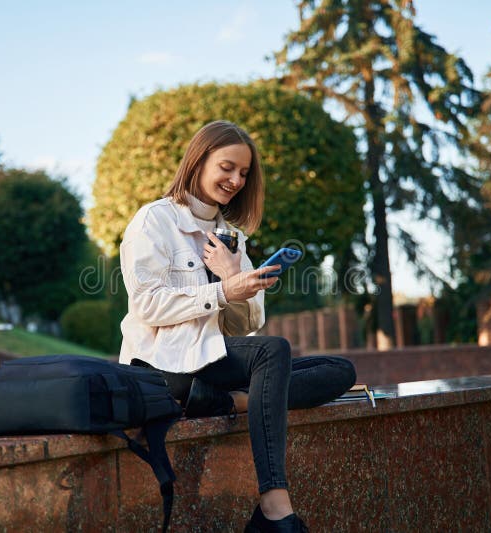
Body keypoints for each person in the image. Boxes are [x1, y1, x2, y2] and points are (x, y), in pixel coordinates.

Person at [119, 120, 356, 532]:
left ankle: (231, 401)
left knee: (340, 371)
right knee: (273, 351)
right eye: (227, 167)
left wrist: (238, 282)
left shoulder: (231, 237)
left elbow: (244, 324)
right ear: (199, 159)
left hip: (209, 359)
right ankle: (274, 506)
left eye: (244, 173)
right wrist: (224, 289)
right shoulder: (153, 221)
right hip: (161, 365)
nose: (235, 180)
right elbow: (146, 304)